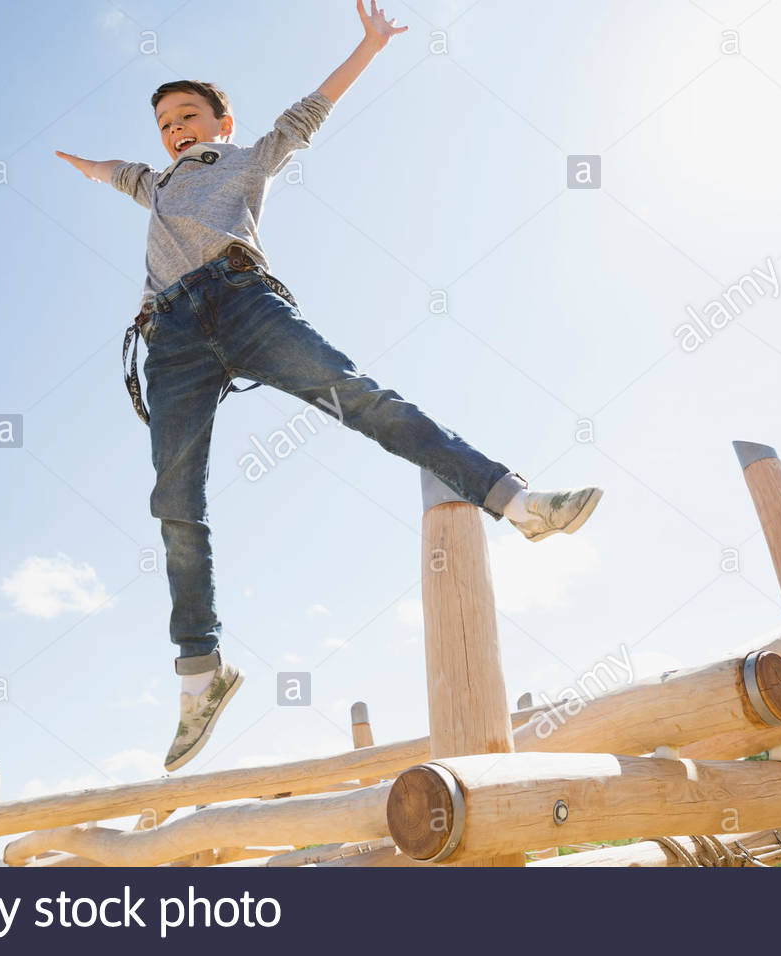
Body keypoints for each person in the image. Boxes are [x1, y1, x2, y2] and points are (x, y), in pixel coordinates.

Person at [55, 1, 603, 772]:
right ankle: (200, 676)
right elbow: (119, 174)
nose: (175, 129)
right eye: (164, 123)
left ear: (220, 120)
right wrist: (85, 166)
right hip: (172, 338)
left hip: (242, 302)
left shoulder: (244, 158)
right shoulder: (154, 183)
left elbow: (309, 112)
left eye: (187, 115)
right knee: (173, 498)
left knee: (362, 399)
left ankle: (517, 502)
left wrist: (369, 44)